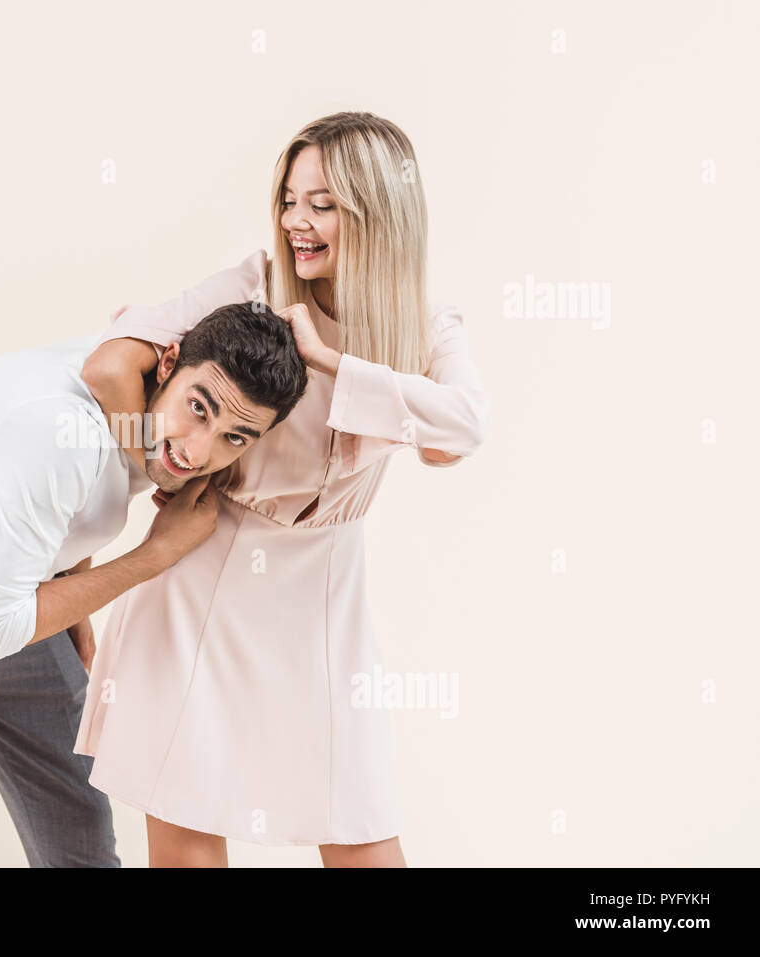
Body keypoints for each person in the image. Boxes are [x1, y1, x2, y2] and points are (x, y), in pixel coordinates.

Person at [75, 111, 491, 867]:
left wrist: (329, 362)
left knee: (359, 828)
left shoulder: (425, 323)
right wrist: (160, 469)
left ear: (378, 212)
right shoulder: (252, 284)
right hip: (200, 577)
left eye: (323, 204)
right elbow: (112, 362)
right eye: (291, 199)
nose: (297, 221)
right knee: (188, 826)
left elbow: (462, 430)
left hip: (325, 598)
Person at [0, 302, 308, 867]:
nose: (197, 450)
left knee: (79, 823)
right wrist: (155, 553)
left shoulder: (141, 399)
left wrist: (75, 590)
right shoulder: (61, 432)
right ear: (167, 361)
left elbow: (69, 505)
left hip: (3, 594)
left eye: (234, 437)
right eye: (199, 409)